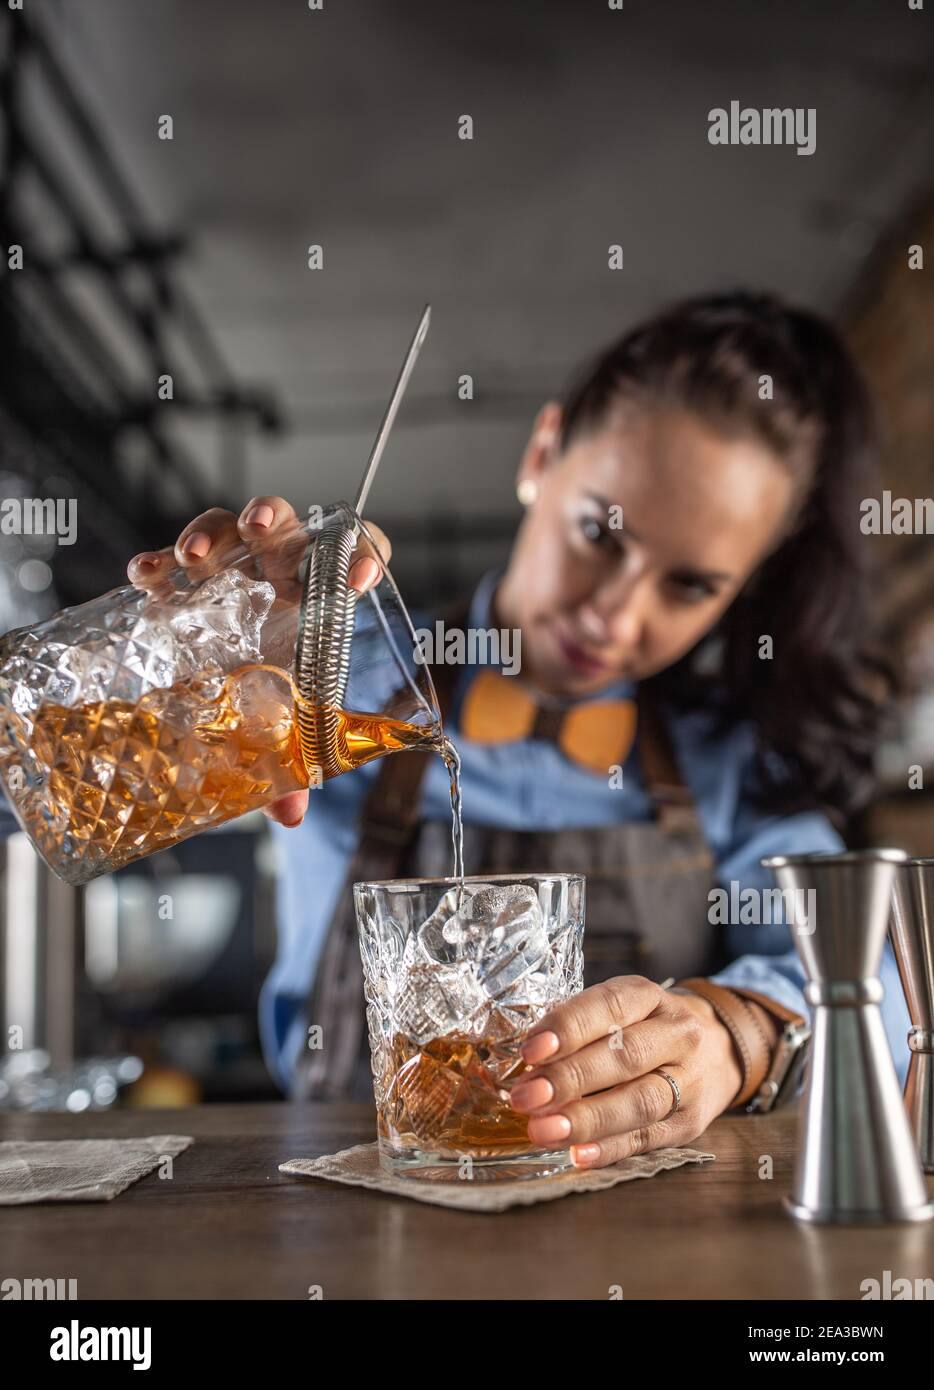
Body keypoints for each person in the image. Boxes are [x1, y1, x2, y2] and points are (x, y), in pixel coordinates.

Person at [129, 290, 910, 1169]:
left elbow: (873, 981)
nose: (613, 616)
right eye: (598, 534)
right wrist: (164, 661)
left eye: (689, 586)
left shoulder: (730, 763)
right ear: (542, 455)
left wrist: (736, 1036)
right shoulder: (330, 681)